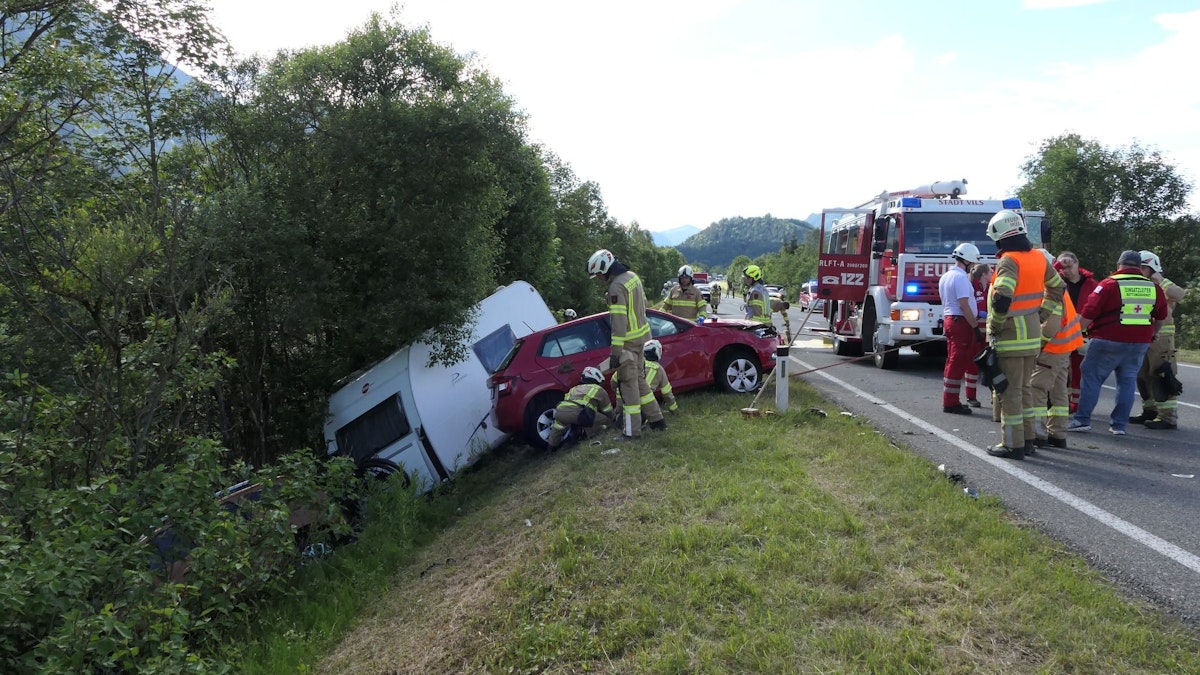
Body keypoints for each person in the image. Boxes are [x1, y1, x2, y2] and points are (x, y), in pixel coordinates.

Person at [984, 211, 1065, 460]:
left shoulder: (1008, 260)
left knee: (1008, 393)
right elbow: (1058, 286)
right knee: (1025, 390)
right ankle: (1028, 440)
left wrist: (994, 327)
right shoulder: (1039, 258)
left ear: (999, 237)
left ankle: (1012, 445)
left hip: (1010, 336)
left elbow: (1002, 298)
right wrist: (1041, 315)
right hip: (1031, 336)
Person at [1067, 250, 1168, 435]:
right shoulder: (1153, 287)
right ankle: (1119, 425)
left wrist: (1074, 335)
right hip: (1139, 343)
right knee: (1127, 382)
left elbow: (1089, 312)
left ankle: (1082, 420)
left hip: (1107, 340)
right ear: (1139, 267)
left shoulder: (1108, 285)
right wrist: (1154, 333)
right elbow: (1161, 315)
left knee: (1091, 378)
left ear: (1118, 265)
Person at [587, 249, 666, 439]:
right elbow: (644, 304)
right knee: (640, 380)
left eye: (598, 274)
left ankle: (631, 433)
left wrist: (615, 353)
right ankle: (657, 421)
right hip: (643, 339)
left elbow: (619, 323)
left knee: (628, 386)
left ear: (605, 269)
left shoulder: (615, 288)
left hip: (628, 344)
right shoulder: (632, 277)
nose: (598, 278)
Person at [1030, 251, 1084, 449]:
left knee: (1037, 388)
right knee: (1059, 392)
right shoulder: (1059, 286)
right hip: (1064, 348)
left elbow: (1051, 324)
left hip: (1051, 348)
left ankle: (1038, 434)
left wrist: (1039, 344)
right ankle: (1058, 434)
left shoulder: (1049, 288)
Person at [1131, 250, 1186, 430]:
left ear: (1152, 268)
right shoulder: (1139, 284)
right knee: (1142, 375)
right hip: (1142, 335)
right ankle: (1149, 410)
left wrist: (1161, 280)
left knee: (1161, 374)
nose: (1139, 271)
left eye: (1142, 268)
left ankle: (1168, 417)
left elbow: (1179, 294)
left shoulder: (1163, 285)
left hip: (1162, 339)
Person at [938, 243, 985, 415]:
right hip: (961, 322)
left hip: (951, 320)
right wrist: (975, 328)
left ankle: (950, 399)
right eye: (972, 263)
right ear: (967, 261)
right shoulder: (961, 278)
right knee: (958, 362)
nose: (973, 266)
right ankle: (951, 402)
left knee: (952, 360)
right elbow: (964, 304)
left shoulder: (946, 276)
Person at [1053, 251, 1098, 412]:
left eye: (1069, 265)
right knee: (1060, 370)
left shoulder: (1092, 284)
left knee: (1079, 371)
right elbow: (1044, 275)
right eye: (1063, 267)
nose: (1066, 270)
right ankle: (1062, 402)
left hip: (1083, 335)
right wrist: (1058, 265)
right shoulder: (1056, 282)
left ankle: (1076, 403)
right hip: (1060, 333)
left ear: (1077, 264)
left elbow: (1099, 308)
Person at [546, 367, 614, 452]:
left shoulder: (574, 389)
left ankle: (551, 447)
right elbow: (607, 409)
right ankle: (588, 435)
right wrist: (611, 420)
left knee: (558, 426)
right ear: (597, 379)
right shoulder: (597, 389)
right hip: (579, 413)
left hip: (560, 411)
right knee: (604, 420)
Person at [612, 339, 678, 417]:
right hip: (643, 404)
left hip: (623, 400)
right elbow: (667, 394)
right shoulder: (658, 369)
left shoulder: (631, 364)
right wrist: (674, 410)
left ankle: (617, 418)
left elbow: (613, 381)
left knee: (620, 418)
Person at [964, 262, 991, 408]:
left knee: (992, 365)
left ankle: (995, 397)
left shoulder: (990, 288)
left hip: (989, 333)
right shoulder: (972, 288)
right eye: (990, 272)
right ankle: (971, 396)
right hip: (976, 332)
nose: (992, 274)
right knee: (972, 366)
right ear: (984, 275)